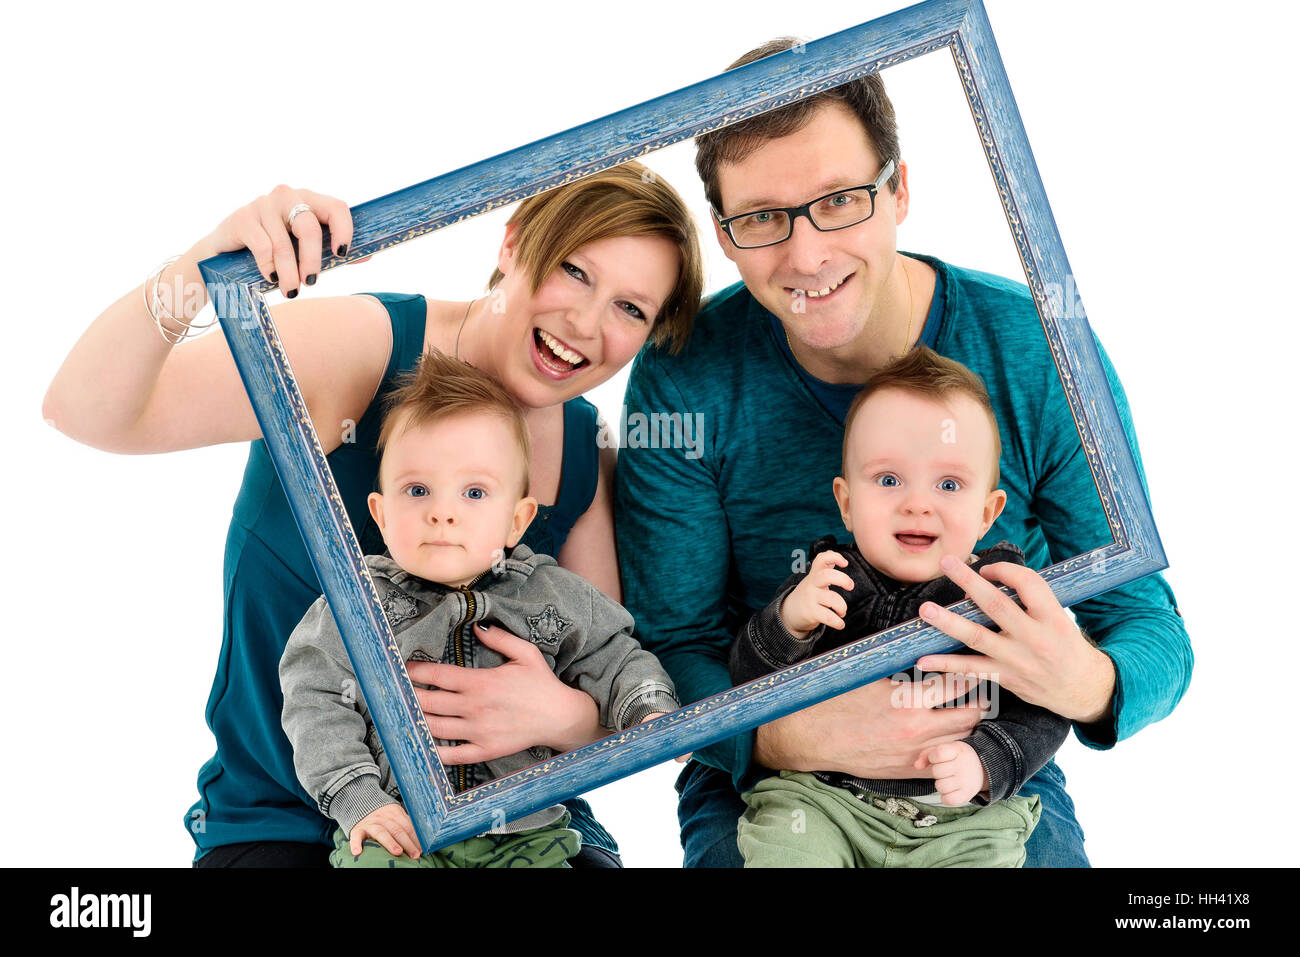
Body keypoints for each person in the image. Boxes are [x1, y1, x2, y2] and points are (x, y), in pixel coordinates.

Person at [614, 39, 1192, 868]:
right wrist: (783, 735)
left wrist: (1089, 684)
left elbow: (1144, 617)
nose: (806, 255)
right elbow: (675, 641)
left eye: (840, 200)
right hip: (769, 782)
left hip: (986, 769)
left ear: (900, 191)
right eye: (762, 218)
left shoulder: (1038, 346)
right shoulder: (683, 377)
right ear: (725, 235)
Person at [43, 160, 704, 867]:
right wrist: (202, 267)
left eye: (631, 308)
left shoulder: (583, 449)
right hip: (295, 825)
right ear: (512, 244)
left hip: (521, 830)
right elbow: (84, 409)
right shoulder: (361, 348)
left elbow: (609, 671)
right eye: (574, 270)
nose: (585, 321)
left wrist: (566, 717)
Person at [280, 350, 677, 868]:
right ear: (380, 513)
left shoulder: (553, 595)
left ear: (517, 520)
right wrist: (359, 801)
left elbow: (615, 657)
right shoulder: (354, 604)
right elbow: (314, 700)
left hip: (526, 832)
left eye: (473, 492)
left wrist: (646, 708)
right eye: (418, 490)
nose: (442, 512)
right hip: (402, 828)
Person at [729, 347, 1068, 867]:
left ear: (987, 513)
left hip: (960, 820)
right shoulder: (824, 580)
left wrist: (987, 760)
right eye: (888, 481)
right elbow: (749, 687)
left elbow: (1044, 705)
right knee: (783, 844)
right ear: (846, 502)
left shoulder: (1002, 598)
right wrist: (786, 625)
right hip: (823, 801)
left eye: (948, 484)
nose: (916, 503)